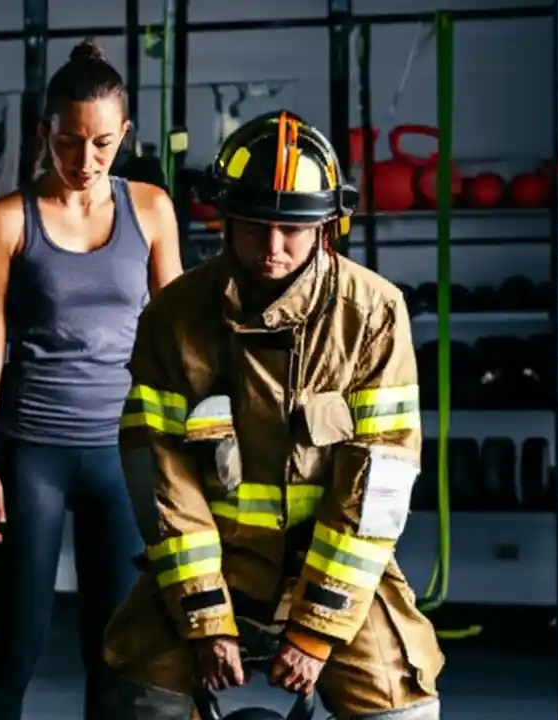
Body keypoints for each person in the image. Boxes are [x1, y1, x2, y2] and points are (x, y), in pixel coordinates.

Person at [98, 110, 445, 719]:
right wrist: (206, 621)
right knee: (138, 694)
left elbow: (375, 491)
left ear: (326, 228)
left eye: (293, 229)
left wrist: (315, 631)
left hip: (329, 567)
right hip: (211, 564)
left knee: (400, 704)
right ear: (227, 221)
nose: (273, 248)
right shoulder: (174, 316)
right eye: (257, 228)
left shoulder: (372, 314)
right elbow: (162, 484)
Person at [0, 38, 185, 720]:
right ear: (44, 134)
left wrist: (180, 448)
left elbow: (173, 335)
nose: (85, 160)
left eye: (102, 144)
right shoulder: (5, 220)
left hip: (122, 452)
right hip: (32, 451)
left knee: (113, 654)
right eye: (68, 142)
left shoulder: (151, 208)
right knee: (16, 648)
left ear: (125, 135)